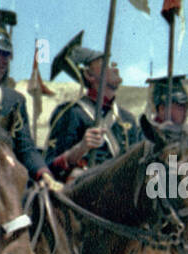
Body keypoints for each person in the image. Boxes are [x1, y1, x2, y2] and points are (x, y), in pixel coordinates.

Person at [46, 33, 137, 181]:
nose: (115, 68)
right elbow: (50, 167)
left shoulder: (127, 118)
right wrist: (79, 150)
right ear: (89, 75)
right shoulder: (71, 114)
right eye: (105, 64)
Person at [0, 9, 54, 186]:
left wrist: (43, 173)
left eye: (7, 54)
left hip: (5, 181)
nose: (4, 60)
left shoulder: (13, 100)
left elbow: (26, 149)